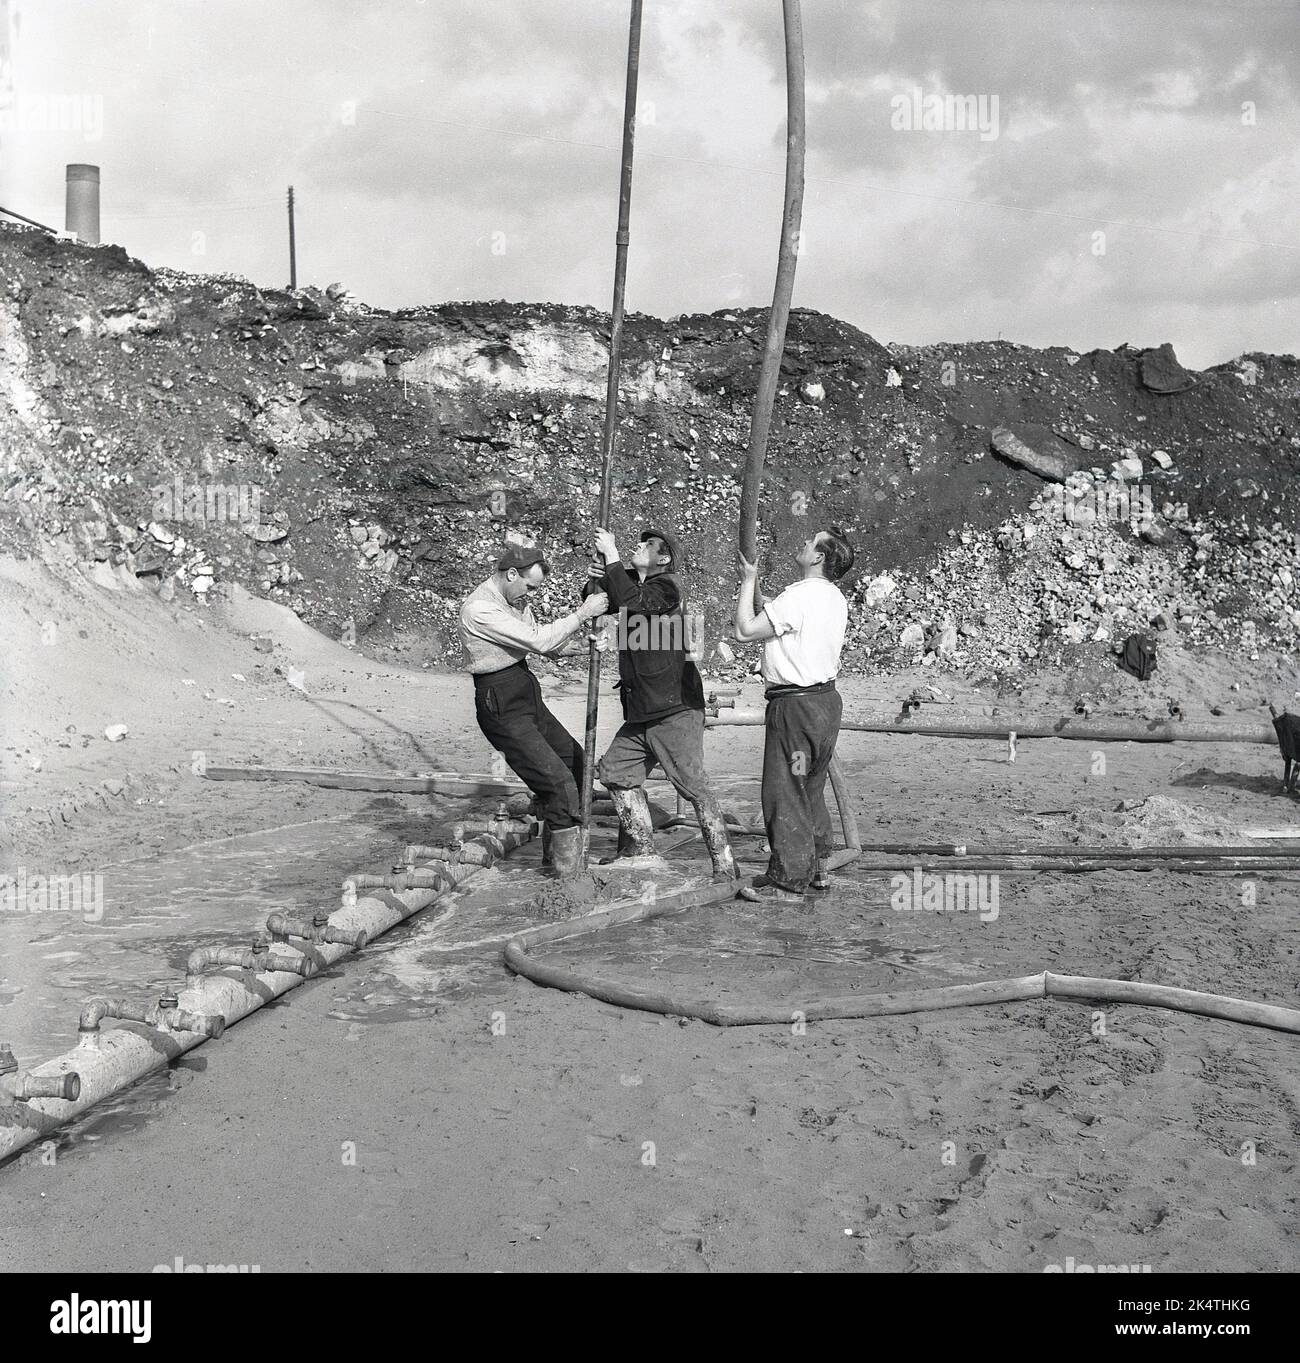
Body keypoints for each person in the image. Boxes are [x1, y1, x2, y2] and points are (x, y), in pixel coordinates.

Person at [584, 526, 737, 882]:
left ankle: (726, 866)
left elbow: (639, 604)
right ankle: (640, 849)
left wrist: (613, 559)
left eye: (648, 545)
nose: (639, 545)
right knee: (616, 772)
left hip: (674, 709)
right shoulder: (634, 589)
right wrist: (598, 579)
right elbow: (609, 604)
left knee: (692, 785)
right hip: (641, 709)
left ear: (663, 558)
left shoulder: (668, 586)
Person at [459, 544, 608, 877]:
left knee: (578, 766)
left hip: (526, 694)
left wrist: (585, 647)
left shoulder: (511, 603)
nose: (531, 594)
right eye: (529, 586)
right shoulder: (480, 609)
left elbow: (547, 647)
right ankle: (566, 877)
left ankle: (555, 856)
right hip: (501, 704)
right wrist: (583, 613)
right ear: (511, 574)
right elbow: (540, 640)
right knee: (558, 784)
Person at [732, 528, 855, 904]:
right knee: (808, 783)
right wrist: (770, 601)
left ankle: (788, 880)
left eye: (810, 542)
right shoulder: (833, 598)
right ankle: (817, 865)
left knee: (785, 787)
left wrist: (748, 581)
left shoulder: (798, 597)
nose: (802, 544)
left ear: (819, 557)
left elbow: (744, 631)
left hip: (795, 708)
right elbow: (794, 619)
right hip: (825, 705)